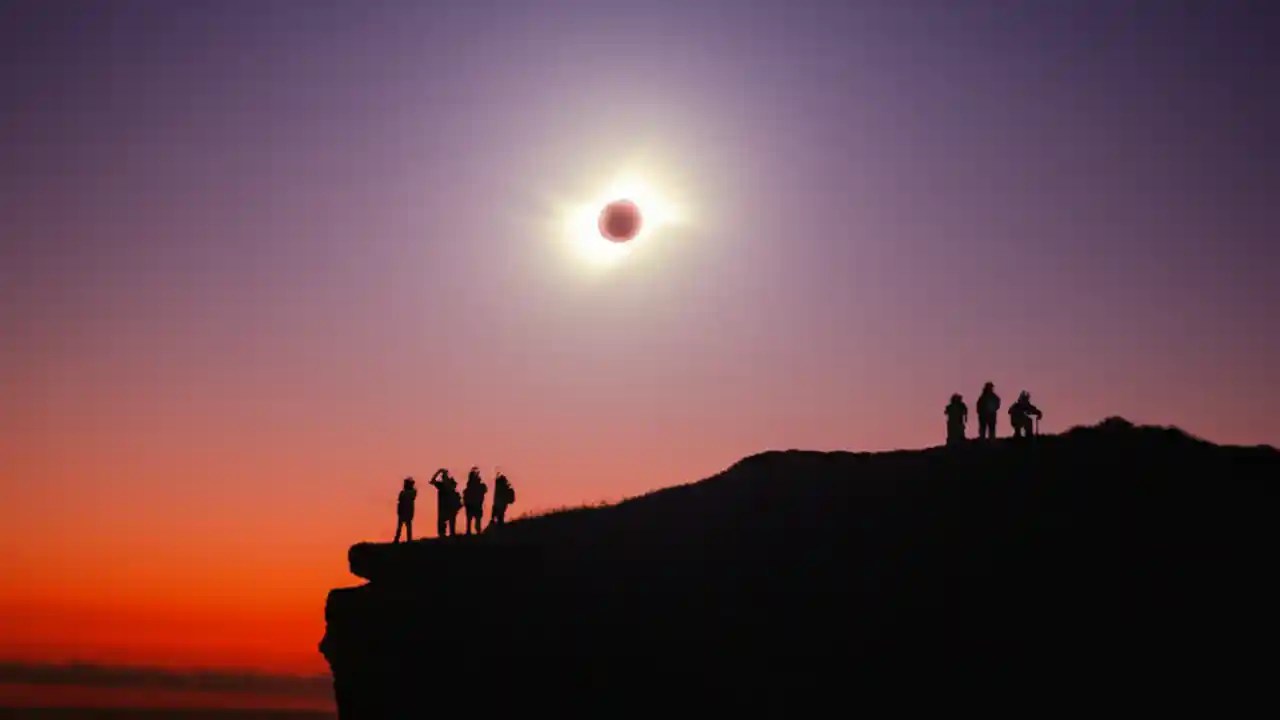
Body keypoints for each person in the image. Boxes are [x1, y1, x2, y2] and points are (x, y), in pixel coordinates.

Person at [428, 469, 461, 537]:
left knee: (450, 522)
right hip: (444, 506)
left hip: (449, 506)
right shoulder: (441, 485)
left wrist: (439, 472)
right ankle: (445, 535)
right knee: (444, 523)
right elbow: (432, 481)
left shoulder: (445, 485)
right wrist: (439, 472)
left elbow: (432, 481)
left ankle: (450, 534)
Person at [463, 467, 488, 535]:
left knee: (474, 519)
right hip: (472, 504)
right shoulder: (473, 485)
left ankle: (475, 532)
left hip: (475, 504)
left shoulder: (476, 485)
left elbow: (484, 490)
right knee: (472, 519)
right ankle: (473, 532)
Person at [394, 477, 416, 543]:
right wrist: (399, 511)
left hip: (407, 512)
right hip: (403, 511)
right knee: (400, 527)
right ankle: (397, 539)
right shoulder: (403, 493)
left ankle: (408, 540)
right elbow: (399, 502)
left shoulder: (411, 492)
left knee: (407, 526)